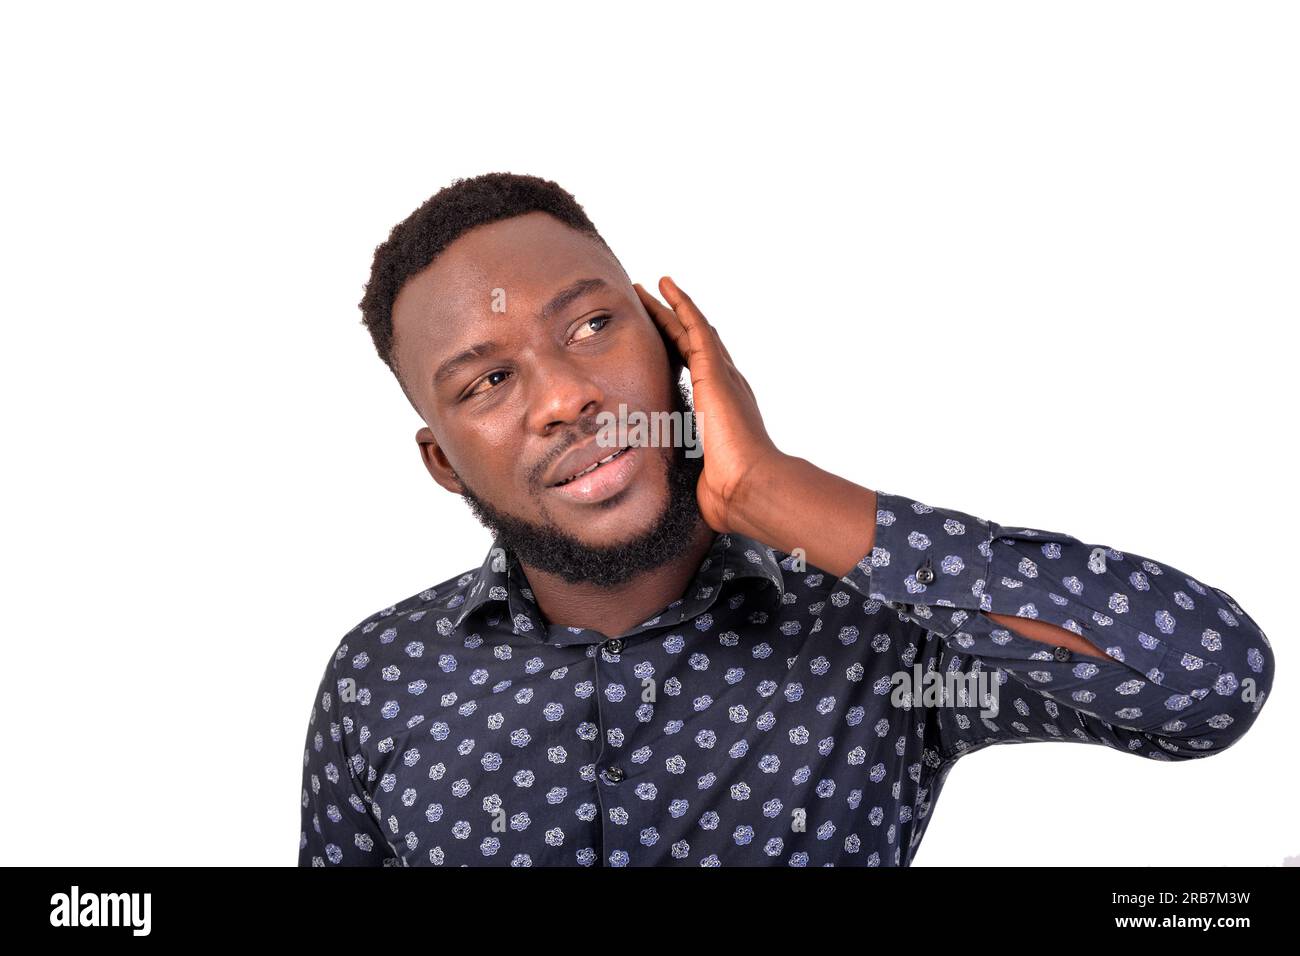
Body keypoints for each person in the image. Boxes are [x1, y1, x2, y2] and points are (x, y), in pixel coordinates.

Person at [298, 172, 1274, 866]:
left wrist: (775, 491)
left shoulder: (879, 633)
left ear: (676, 343)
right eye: (489, 379)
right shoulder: (379, 674)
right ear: (440, 459)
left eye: (593, 325)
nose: (564, 398)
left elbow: (1206, 684)